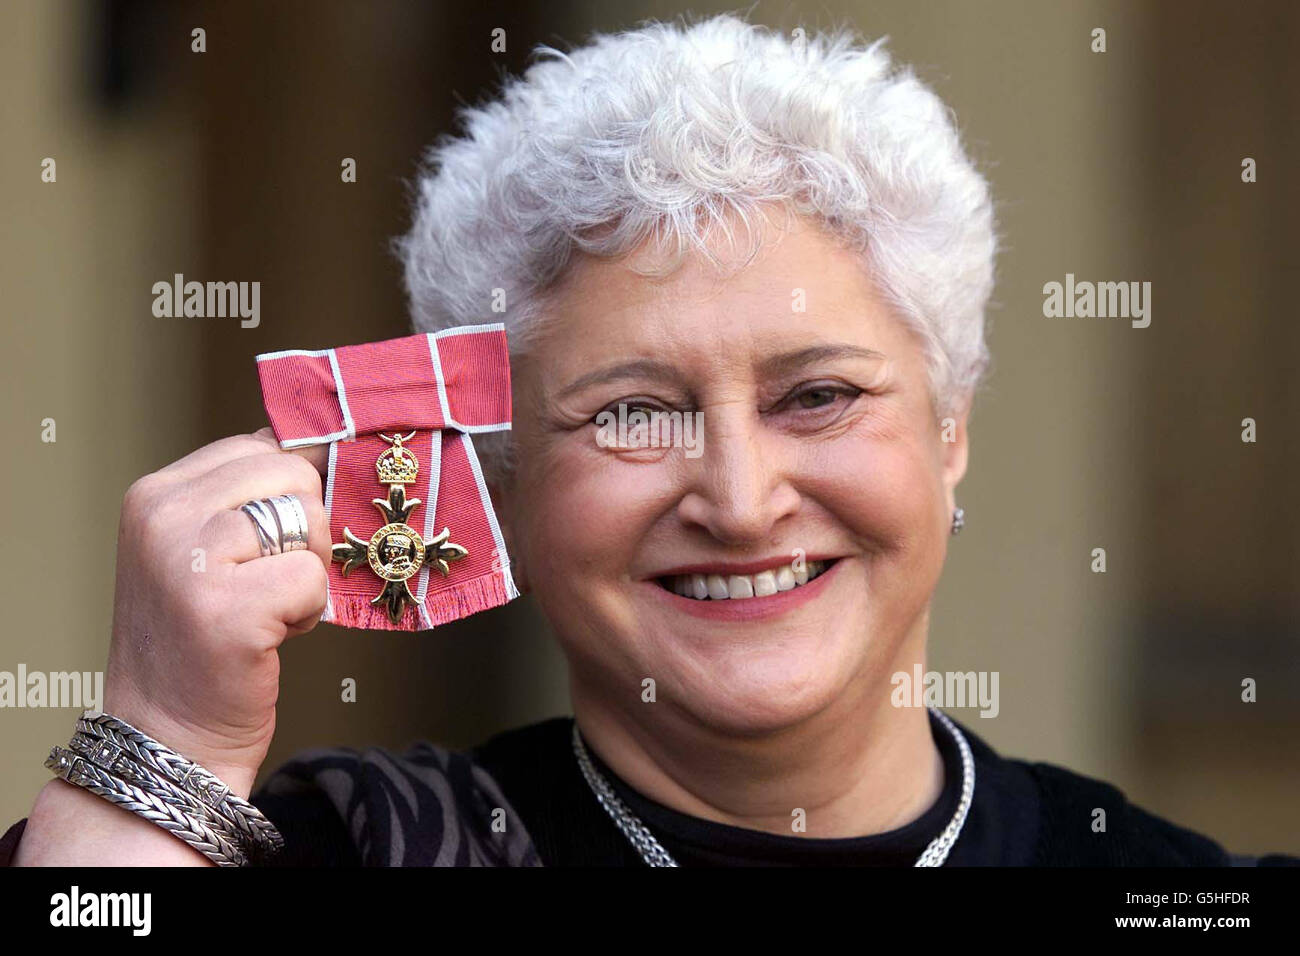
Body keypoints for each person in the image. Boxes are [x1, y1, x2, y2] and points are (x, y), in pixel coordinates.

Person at [4, 14, 1290, 868]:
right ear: (499, 484)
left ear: (950, 430)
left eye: (819, 396)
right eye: (629, 411)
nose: (739, 497)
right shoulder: (367, 847)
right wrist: (163, 737)